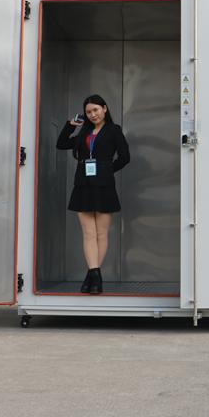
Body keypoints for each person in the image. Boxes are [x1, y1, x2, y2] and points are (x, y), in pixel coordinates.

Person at [56, 94, 130, 295]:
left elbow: (125, 157)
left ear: (104, 109)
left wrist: (106, 170)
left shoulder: (114, 130)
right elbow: (61, 143)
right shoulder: (84, 132)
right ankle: (95, 275)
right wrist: (71, 125)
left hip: (104, 186)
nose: (92, 114)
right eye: (88, 112)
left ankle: (93, 276)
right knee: (88, 233)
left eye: (96, 110)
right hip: (83, 185)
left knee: (101, 233)